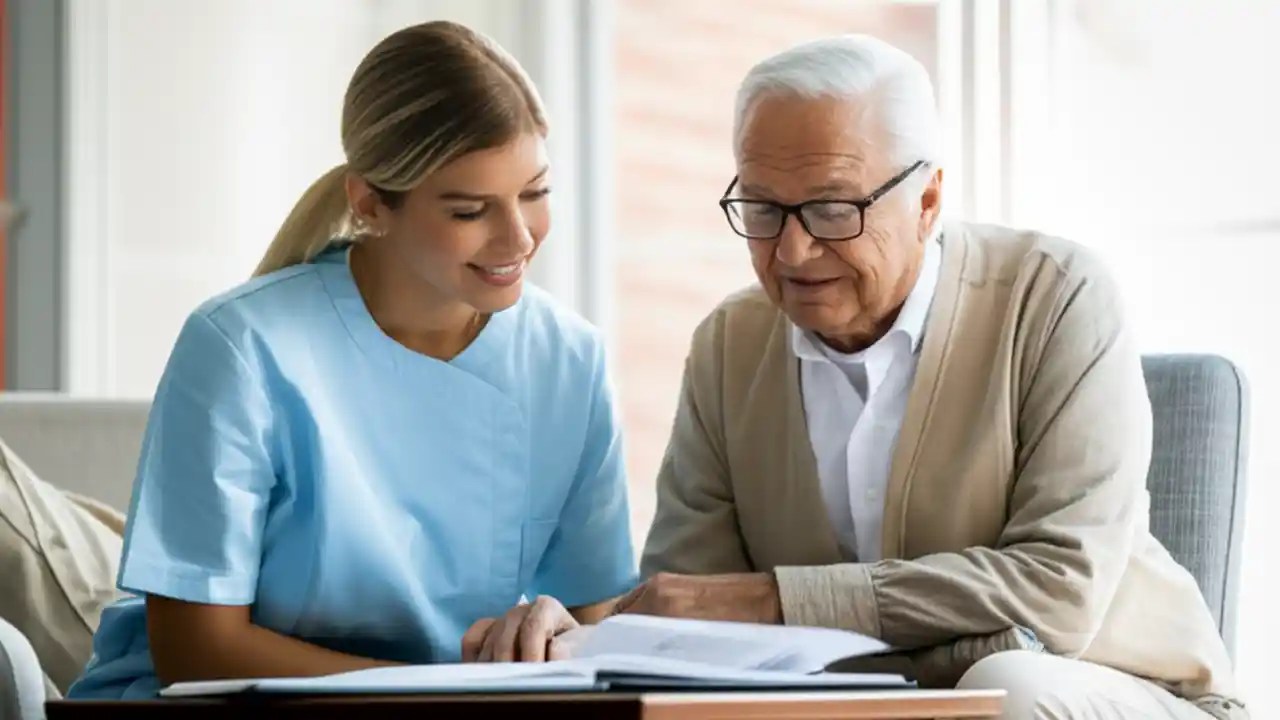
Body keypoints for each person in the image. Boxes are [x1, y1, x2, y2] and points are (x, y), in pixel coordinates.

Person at [553, 35, 1242, 720]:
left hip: (1117, 688)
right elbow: (693, 621)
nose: (792, 250)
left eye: (832, 209)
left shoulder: (1058, 298)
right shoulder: (728, 346)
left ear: (929, 201)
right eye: (763, 210)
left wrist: (777, 603)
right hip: (857, 709)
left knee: (1005, 684)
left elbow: (1056, 596)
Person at [64, 20, 636, 699]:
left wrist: (561, 627)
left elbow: (597, 622)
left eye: (535, 194)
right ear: (371, 203)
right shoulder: (241, 346)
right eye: (468, 210)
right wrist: (437, 693)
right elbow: (196, 651)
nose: (518, 236)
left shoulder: (571, 361)